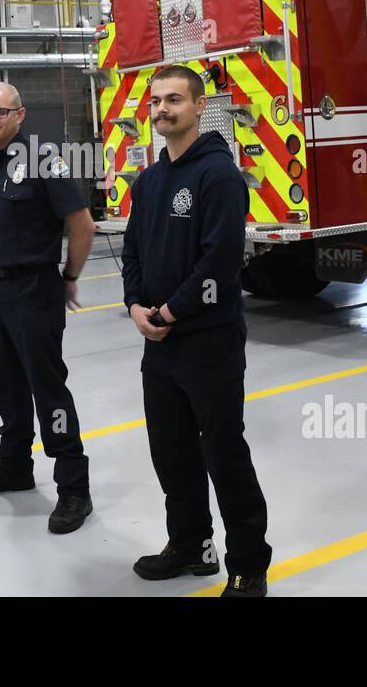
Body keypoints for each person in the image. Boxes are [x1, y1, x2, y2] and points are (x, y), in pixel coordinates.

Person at [122, 64, 271, 597]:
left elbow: (221, 261)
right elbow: (133, 249)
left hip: (208, 343)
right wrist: (136, 304)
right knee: (172, 451)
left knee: (223, 454)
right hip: (159, 346)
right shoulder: (151, 178)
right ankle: (191, 546)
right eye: (155, 101)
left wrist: (169, 314)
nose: (161, 110)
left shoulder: (219, 176)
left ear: (199, 107)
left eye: (173, 100)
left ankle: (249, 566)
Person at [0, 82, 96, 534]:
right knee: (5, 383)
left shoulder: (44, 161)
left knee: (48, 388)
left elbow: (81, 224)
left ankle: (74, 488)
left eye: (1, 112)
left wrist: (69, 278)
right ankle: (15, 465)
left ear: (20, 115)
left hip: (34, 289)